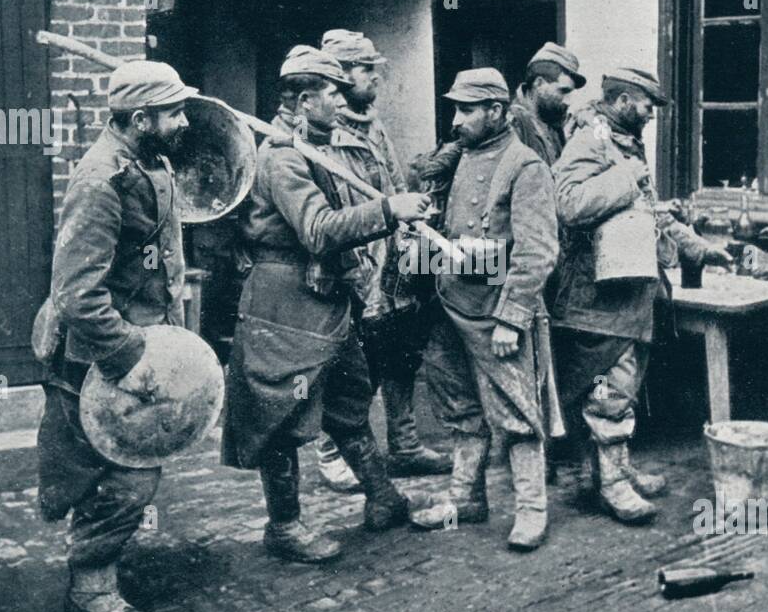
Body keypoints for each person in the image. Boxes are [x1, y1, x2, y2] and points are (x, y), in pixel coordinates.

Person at [223, 46, 432, 564]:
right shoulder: (282, 156)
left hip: (326, 302)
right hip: (284, 306)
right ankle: (285, 526)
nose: (340, 100)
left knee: (348, 397)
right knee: (281, 415)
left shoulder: (316, 147)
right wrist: (387, 210)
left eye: (341, 89)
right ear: (300, 100)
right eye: (330, 92)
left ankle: (383, 497)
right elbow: (317, 231)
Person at [34, 59, 196, 612]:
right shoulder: (100, 180)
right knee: (123, 477)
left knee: (129, 469)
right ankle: (91, 589)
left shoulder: (152, 163)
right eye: (172, 112)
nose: (183, 121)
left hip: (141, 343)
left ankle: (95, 569)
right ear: (139, 118)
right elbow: (76, 293)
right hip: (98, 358)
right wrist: (130, 360)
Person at [550, 69, 730, 523]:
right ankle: (609, 483)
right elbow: (567, 204)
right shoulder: (589, 140)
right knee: (609, 390)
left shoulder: (625, 143)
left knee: (624, 387)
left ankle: (619, 470)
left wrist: (701, 249)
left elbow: (648, 211)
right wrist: (626, 179)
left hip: (629, 292)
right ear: (625, 100)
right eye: (647, 104)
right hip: (595, 297)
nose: (652, 114)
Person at [411, 68, 561, 550]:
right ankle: (465, 498)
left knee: (517, 413)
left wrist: (511, 318)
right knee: (459, 406)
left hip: (496, 313)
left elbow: (537, 252)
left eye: (466, 110)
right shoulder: (460, 158)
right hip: (451, 305)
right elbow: (459, 240)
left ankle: (532, 509)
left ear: (496, 111)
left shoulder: (525, 166)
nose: (455, 120)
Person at [310, 29, 450, 494]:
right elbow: (333, 215)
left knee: (402, 351)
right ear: (343, 74)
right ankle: (333, 451)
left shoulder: (373, 123)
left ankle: (405, 443)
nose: (375, 78)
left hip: (395, 262)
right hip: (357, 267)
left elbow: (390, 186)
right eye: (367, 69)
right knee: (357, 365)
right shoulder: (325, 136)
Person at [508, 42, 584, 167]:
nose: (568, 101)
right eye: (563, 91)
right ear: (539, 84)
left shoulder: (552, 122)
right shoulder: (513, 124)